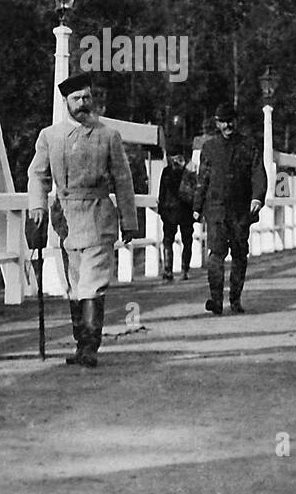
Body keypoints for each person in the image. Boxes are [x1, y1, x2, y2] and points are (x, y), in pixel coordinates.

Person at [27, 73, 138, 368]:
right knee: (74, 285)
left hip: (98, 215)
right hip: (65, 220)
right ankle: (81, 345)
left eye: (87, 97)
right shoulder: (50, 136)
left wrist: (129, 220)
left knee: (93, 283)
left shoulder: (107, 135)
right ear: (66, 102)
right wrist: (37, 206)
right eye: (76, 99)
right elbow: (37, 175)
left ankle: (90, 347)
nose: (83, 103)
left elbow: (123, 180)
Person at [193, 102, 267, 314]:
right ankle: (216, 300)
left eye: (231, 121)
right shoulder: (209, 148)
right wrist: (197, 206)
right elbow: (202, 179)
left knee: (239, 254)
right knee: (215, 255)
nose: (227, 126)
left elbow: (258, 174)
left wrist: (257, 198)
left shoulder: (249, 146)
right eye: (223, 122)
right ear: (217, 123)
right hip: (215, 209)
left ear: (237, 121)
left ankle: (235, 299)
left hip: (240, 210)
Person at [156, 148, 196, 281]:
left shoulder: (167, 171)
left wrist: (161, 209)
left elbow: (161, 193)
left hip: (171, 210)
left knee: (168, 241)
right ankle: (185, 270)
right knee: (186, 241)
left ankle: (168, 271)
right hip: (185, 210)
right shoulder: (188, 172)